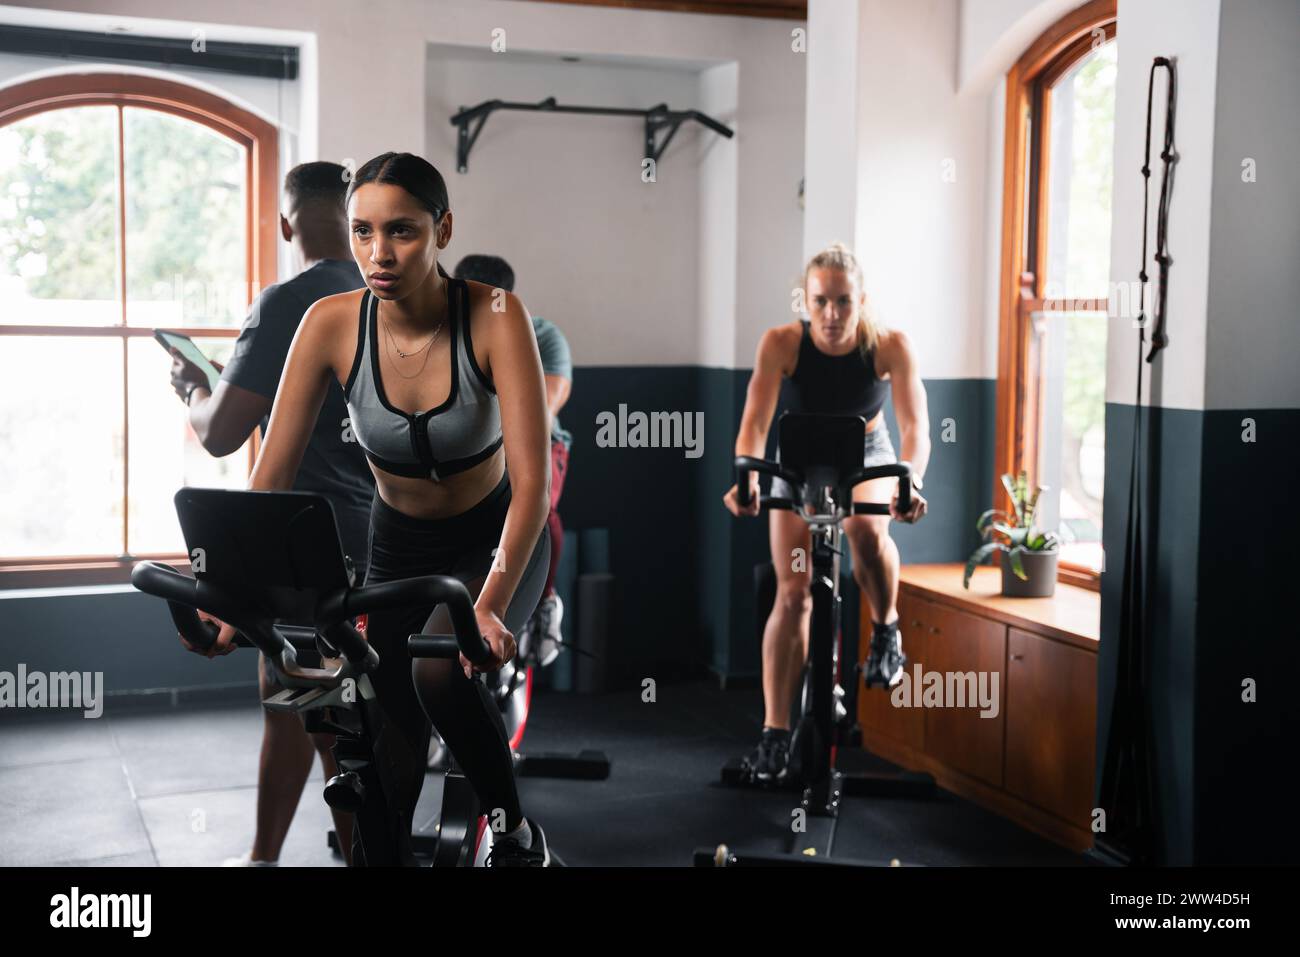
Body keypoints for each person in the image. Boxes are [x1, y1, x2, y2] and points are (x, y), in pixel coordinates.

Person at [193, 152, 554, 866]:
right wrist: (229, 592)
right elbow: (271, 479)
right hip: (396, 543)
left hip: (497, 535)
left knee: (438, 671)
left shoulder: (494, 316)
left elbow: (535, 484)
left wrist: (491, 599)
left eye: (402, 231)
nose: (378, 253)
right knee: (382, 747)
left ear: (443, 229)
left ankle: (515, 831)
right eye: (362, 232)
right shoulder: (329, 323)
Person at [167, 161, 372, 865]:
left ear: (287, 223)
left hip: (304, 549)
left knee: (324, 717)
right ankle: (263, 856)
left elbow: (223, 432)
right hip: (381, 539)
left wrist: (194, 388)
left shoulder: (288, 303)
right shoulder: (384, 294)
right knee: (309, 710)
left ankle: (344, 858)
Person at [722, 242, 931, 784]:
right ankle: (773, 733)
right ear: (806, 300)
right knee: (792, 593)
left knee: (865, 531)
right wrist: (744, 477)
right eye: (821, 302)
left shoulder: (889, 346)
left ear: (862, 300)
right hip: (798, 458)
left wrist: (912, 481)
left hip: (867, 451)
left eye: (843, 301)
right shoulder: (781, 343)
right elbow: (754, 422)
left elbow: (915, 428)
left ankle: (885, 629)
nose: (832, 315)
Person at [452, 254, 572, 666]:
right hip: (469, 450)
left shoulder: (541, 335)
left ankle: (545, 600)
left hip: (536, 442)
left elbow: (545, 410)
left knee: (542, 502)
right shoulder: (444, 332)